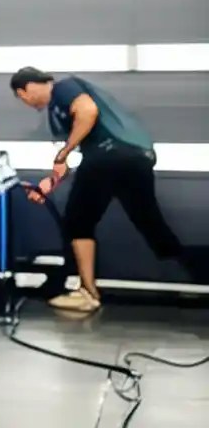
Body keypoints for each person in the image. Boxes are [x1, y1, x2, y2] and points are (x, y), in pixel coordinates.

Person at [10, 67, 190, 312]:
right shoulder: (57, 111)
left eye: (23, 97)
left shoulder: (63, 88)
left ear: (28, 87)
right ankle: (194, 269)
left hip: (109, 153)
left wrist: (64, 151)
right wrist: (47, 185)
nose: (28, 103)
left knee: (77, 221)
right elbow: (70, 159)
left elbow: (87, 111)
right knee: (152, 226)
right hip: (134, 156)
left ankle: (88, 293)